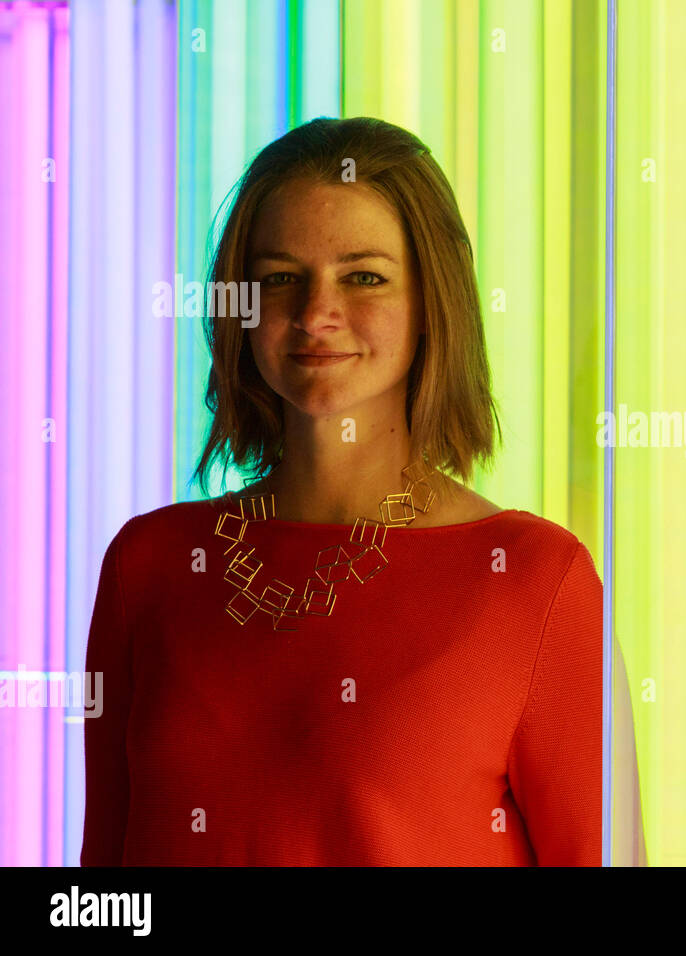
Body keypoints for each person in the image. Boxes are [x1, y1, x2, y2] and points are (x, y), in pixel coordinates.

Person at [81, 117, 604, 865]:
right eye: (280, 278)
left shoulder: (534, 580)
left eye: (364, 276)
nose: (317, 314)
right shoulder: (149, 564)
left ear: (433, 303)